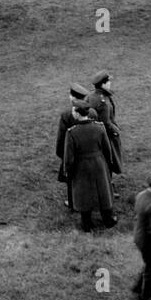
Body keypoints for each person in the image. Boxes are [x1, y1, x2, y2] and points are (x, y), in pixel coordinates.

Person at [63, 103, 119, 232]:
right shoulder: (99, 128)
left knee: (84, 194)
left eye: (73, 111)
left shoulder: (72, 132)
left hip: (81, 166)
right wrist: (107, 163)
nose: (72, 113)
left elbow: (69, 157)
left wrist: (68, 171)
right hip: (99, 163)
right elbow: (107, 149)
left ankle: (86, 223)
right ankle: (108, 219)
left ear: (77, 113)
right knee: (103, 191)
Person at [55, 83, 91, 211]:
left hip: (71, 152)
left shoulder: (66, 115)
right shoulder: (91, 111)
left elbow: (61, 138)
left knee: (71, 179)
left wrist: (61, 154)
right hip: (89, 153)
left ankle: (72, 202)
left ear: (73, 98)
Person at [87, 70, 123, 174]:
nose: (110, 83)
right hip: (105, 136)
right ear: (103, 84)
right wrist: (116, 131)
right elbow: (106, 123)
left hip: (92, 134)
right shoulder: (103, 102)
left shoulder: (91, 95)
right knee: (109, 160)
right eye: (108, 82)